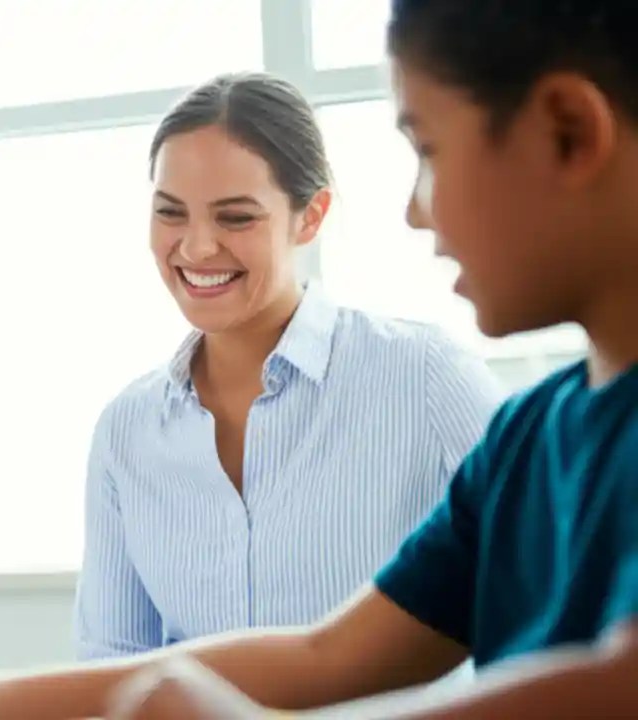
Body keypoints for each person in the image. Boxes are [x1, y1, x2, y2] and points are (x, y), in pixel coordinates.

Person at [0, 0, 638, 717]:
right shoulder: (529, 442)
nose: (415, 209)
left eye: (428, 151)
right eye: (172, 213)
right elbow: (324, 655)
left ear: (570, 131)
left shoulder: (433, 381)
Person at [74, 72, 502, 662]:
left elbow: (547, 606)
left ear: (311, 215)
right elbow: (113, 667)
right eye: (171, 213)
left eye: (235, 217)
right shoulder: (126, 430)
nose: (197, 247)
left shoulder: (427, 378)